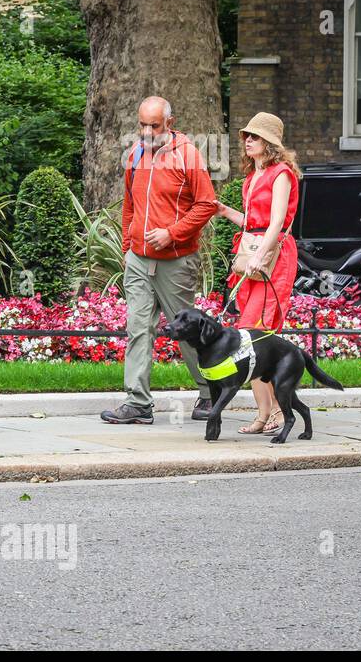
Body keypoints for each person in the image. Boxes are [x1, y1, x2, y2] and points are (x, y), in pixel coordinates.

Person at [101, 96, 217, 425]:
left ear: (169, 122)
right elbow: (129, 204)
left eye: (154, 125)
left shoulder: (188, 155)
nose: (147, 131)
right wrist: (127, 246)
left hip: (176, 260)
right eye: (142, 124)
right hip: (138, 259)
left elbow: (207, 204)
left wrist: (172, 233)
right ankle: (137, 402)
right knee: (137, 329)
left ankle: (210, 392)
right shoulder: (136, 153)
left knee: (188, 332)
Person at [215, 112, 301, 435]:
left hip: (273, 258)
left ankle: (277, 412)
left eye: (254, 136)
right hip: (254, 255)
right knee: (248, 337)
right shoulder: (253, 177)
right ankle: (265, 414)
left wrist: (261, 256)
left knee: (257, 335)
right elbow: (253, 223)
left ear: (269, 142)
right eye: (247, 136)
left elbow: (277, 222)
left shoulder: (281, 174)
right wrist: (224, 211)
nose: (247, 140)